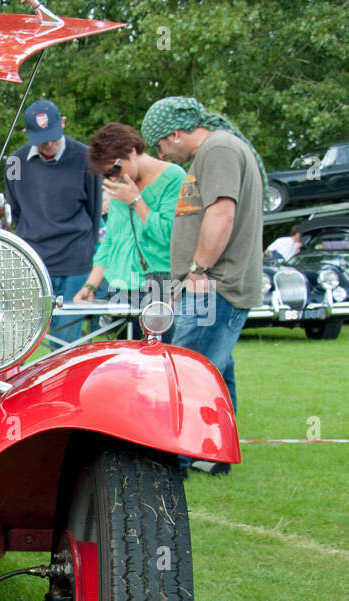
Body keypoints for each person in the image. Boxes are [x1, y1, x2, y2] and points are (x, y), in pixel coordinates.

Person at [142, 97, 265, 476]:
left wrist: (198, 271)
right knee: (215, 372)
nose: (161, 152)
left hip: (214, 286)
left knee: (188, 374)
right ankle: (214, 456)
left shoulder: (219, 148)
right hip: (216, 285)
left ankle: (175, 460)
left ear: (176, 134)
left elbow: (222, 212)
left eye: (160, 143)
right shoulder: (218, 149)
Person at [5, 99, 102, 345]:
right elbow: (15, 209)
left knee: (64, 342)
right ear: (27, 133)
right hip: (34, 262)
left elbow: (94, 209)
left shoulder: (87, 158)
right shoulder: (14, 163)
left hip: (75, 261)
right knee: (24, 338)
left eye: (53, 136)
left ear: (63, 123)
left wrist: (87, 253)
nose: (49, 144)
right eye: (41, 139)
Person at [74, 123, 185, 311]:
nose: (113, 178)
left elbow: (169, 236)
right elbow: (111, 240)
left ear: (132, 152)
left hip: (159, 284)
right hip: (120, 286)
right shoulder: (121, 184)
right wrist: (90, 285)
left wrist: (136, 200)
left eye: (114, 170)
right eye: (106, 175)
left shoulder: (174, 178)